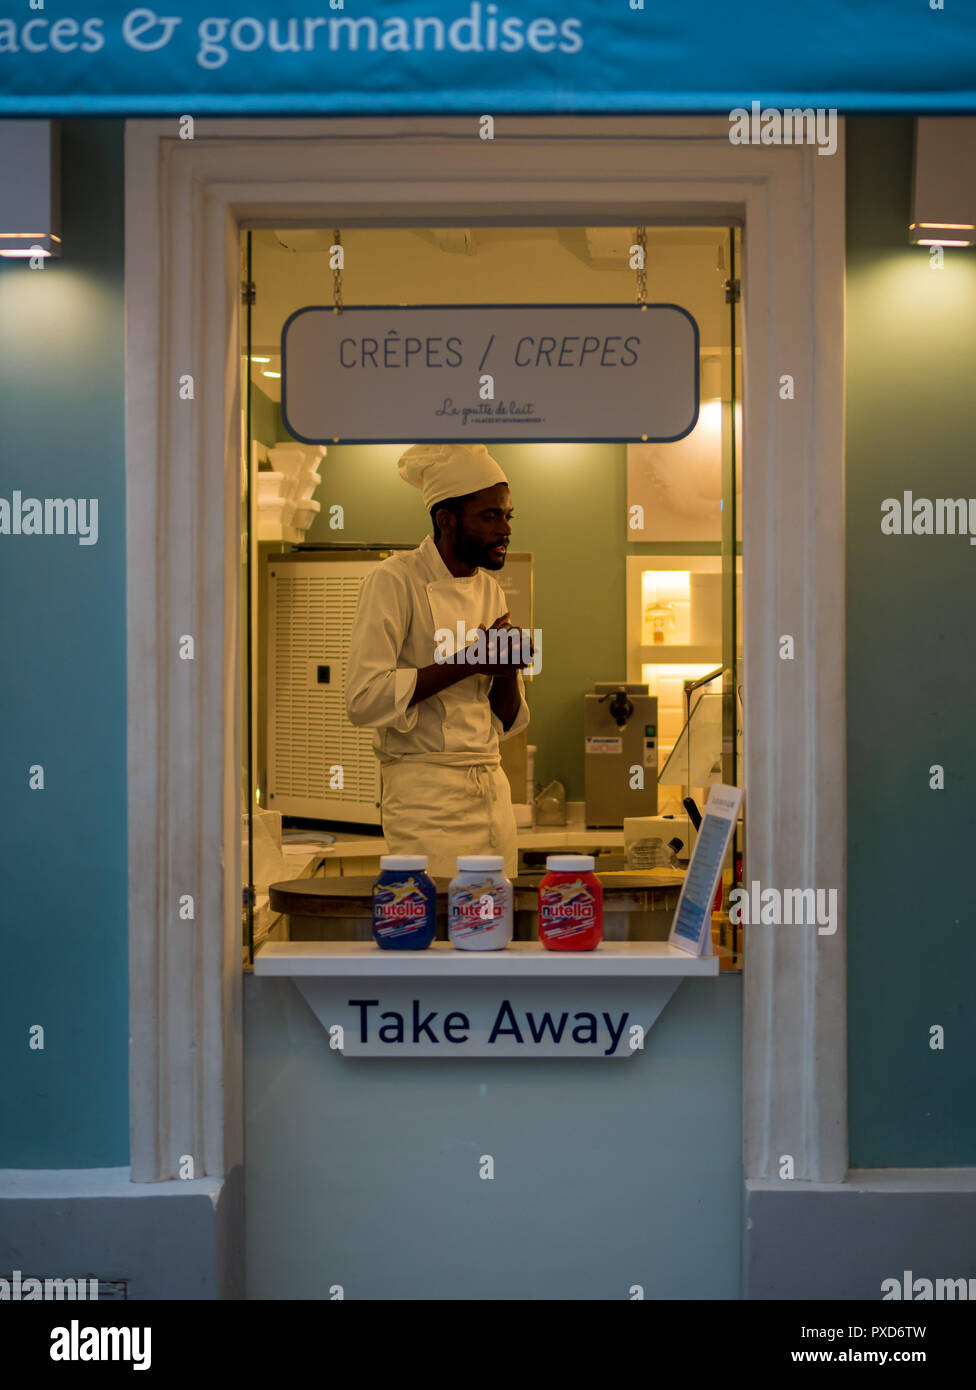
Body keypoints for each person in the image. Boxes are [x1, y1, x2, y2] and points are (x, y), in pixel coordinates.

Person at [345, 443, 531, 879]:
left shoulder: (490, 591)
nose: (505, 529)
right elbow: (364, 699)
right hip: (424, 800)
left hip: (490, 790)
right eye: (490, 516)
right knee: (440, 930)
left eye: (508, 516)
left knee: (496, 928)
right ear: (446, 520)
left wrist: (507, 669)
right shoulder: (394, 580)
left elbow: (504, 719)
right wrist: (470, 661)